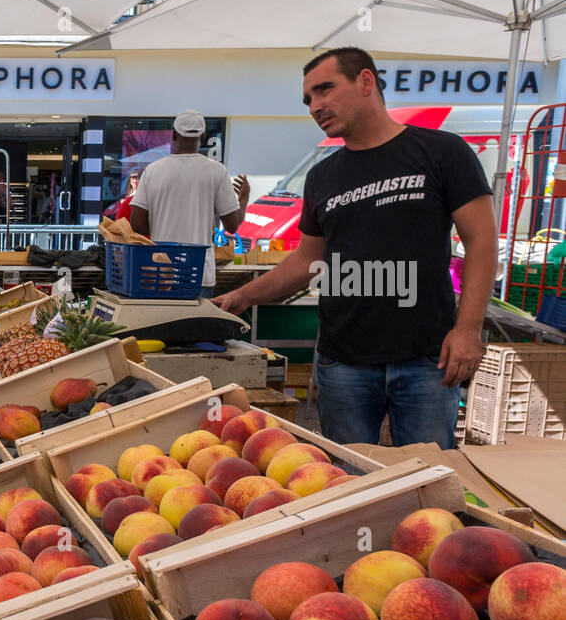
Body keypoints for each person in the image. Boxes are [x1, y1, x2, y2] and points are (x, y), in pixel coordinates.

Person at [213, 48, 495, 449]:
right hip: (342, 362)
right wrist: (243, 296)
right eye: (309, 99)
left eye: (325, 90)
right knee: (346, 482)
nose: (315, 105)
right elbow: (307, 260)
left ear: (366, 82)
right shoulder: (323, 176)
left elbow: (482, 240)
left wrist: (468, 329)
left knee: (427, 480)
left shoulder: (442, 152)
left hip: (425, 359)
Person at [126, 112, 249, 301]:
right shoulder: (216, 171)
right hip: (198, 275)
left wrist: (162, 230)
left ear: (174, 135)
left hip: (161, 273)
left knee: (160, 330)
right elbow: (232, 226)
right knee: (195, 330)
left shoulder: (153, 170)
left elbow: (136, 223)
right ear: (202, 137)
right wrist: (243, 200)